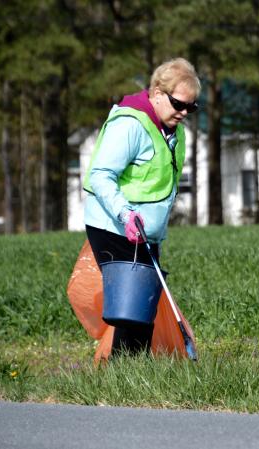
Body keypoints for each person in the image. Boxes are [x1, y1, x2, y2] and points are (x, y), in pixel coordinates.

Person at [82, 58, 201, 357]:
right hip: (115, 225)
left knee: (142, 308)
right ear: (157, 93)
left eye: (191, 107)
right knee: (133, 310)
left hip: (146, 232)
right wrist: (125, 213)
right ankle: (122, 380)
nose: (184, 112)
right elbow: (101, 175)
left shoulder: (175, 132)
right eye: (178, 103)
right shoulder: (130, 125)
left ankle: (130, 377)